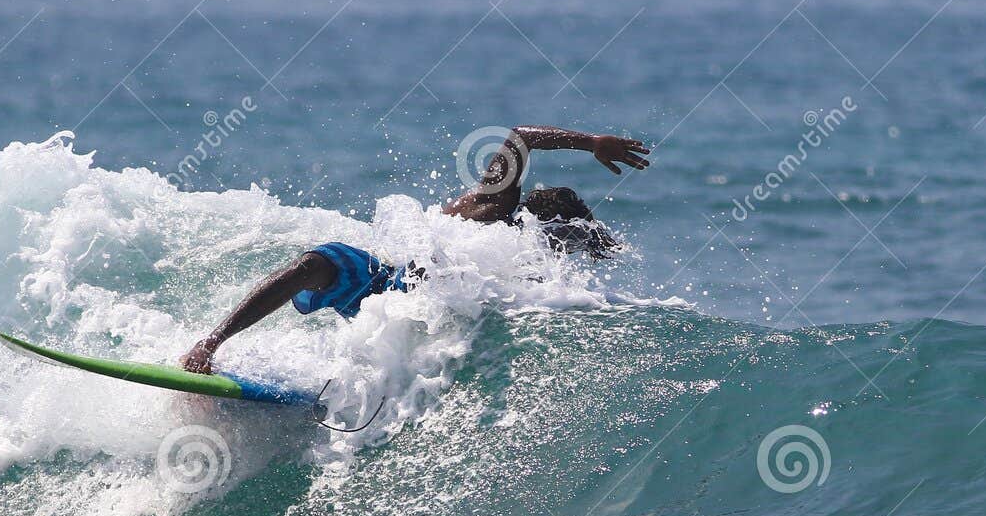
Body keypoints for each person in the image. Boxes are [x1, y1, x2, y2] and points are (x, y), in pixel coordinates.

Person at [178, 125, 651, 373]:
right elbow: (520, 137)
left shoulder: (533, 274)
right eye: (556, 237)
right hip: (387, 279)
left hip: (427, 313)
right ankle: (211, 343)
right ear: (538, 218)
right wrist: (589, 142)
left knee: (320, 268)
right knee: (315, 262)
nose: (555, 251)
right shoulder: (495, 204)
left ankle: (357, 381)